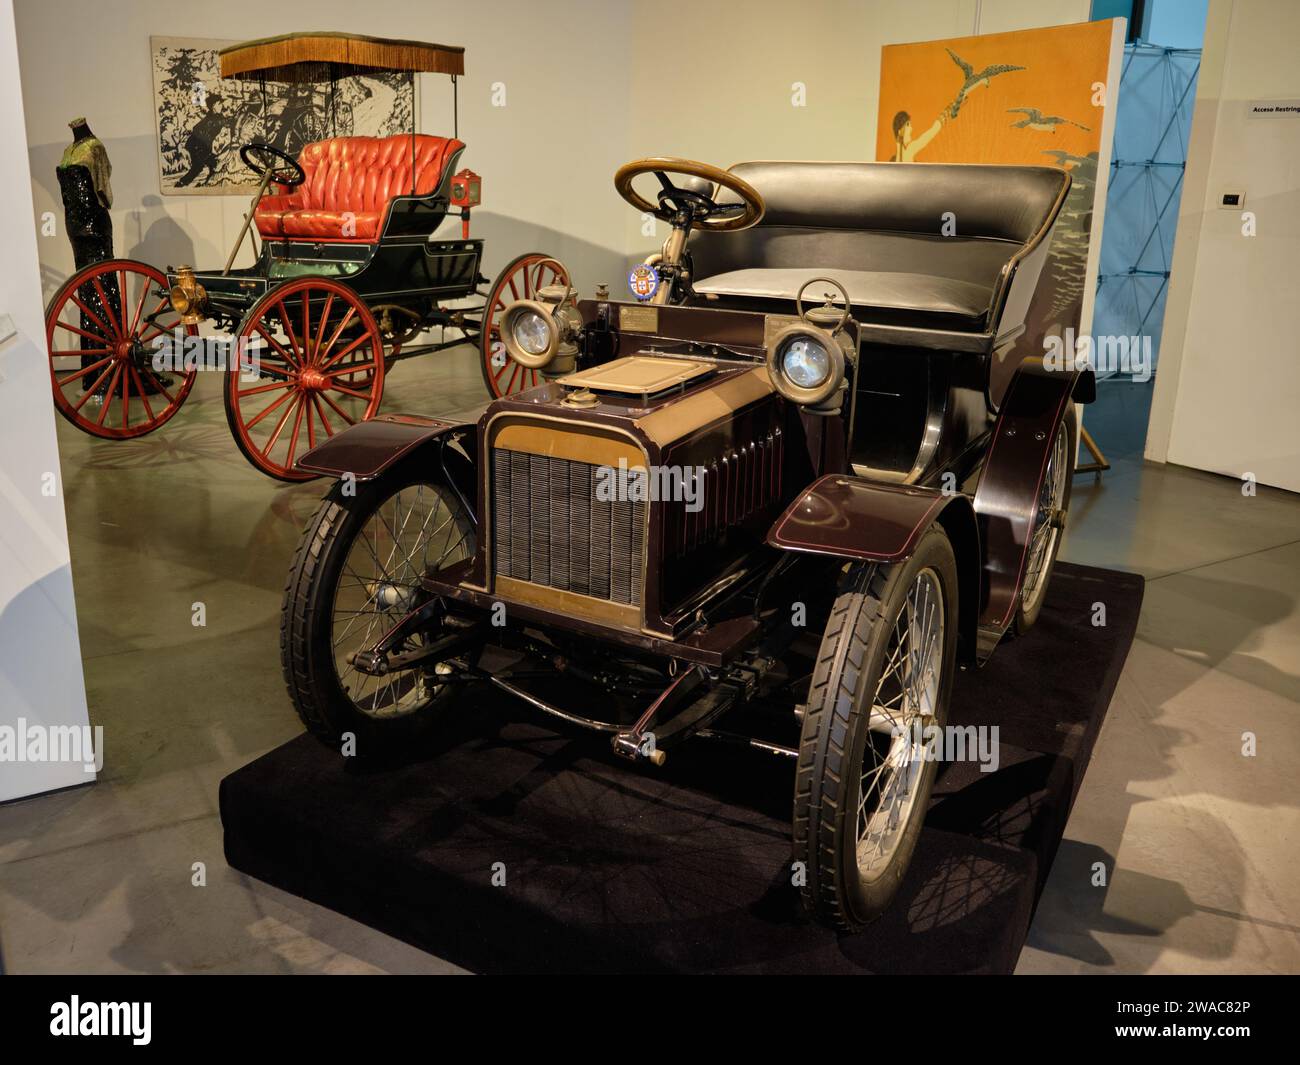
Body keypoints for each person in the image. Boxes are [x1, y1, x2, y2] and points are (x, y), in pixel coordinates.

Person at [176, 92, 226, 187]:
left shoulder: (217, 117)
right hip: (196, 147)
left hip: (201, 147)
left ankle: (208, 182)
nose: (222, 106)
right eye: (219, 104)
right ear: (213, 106)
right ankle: (181, 184)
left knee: (212, 164)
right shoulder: (210, 119)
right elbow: (197, 130)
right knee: (199, 167)